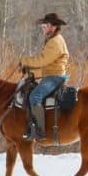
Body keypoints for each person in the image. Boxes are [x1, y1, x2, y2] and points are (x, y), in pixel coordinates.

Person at [19, 12, 70, 140]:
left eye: (45, 26)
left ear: (53, 27)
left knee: (35, 96)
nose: (42, 28)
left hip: (54, 77)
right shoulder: (53, 40)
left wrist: (24, 61)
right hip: (51, 75)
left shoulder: (55, 42)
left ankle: (39, 131)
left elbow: (43, 60)